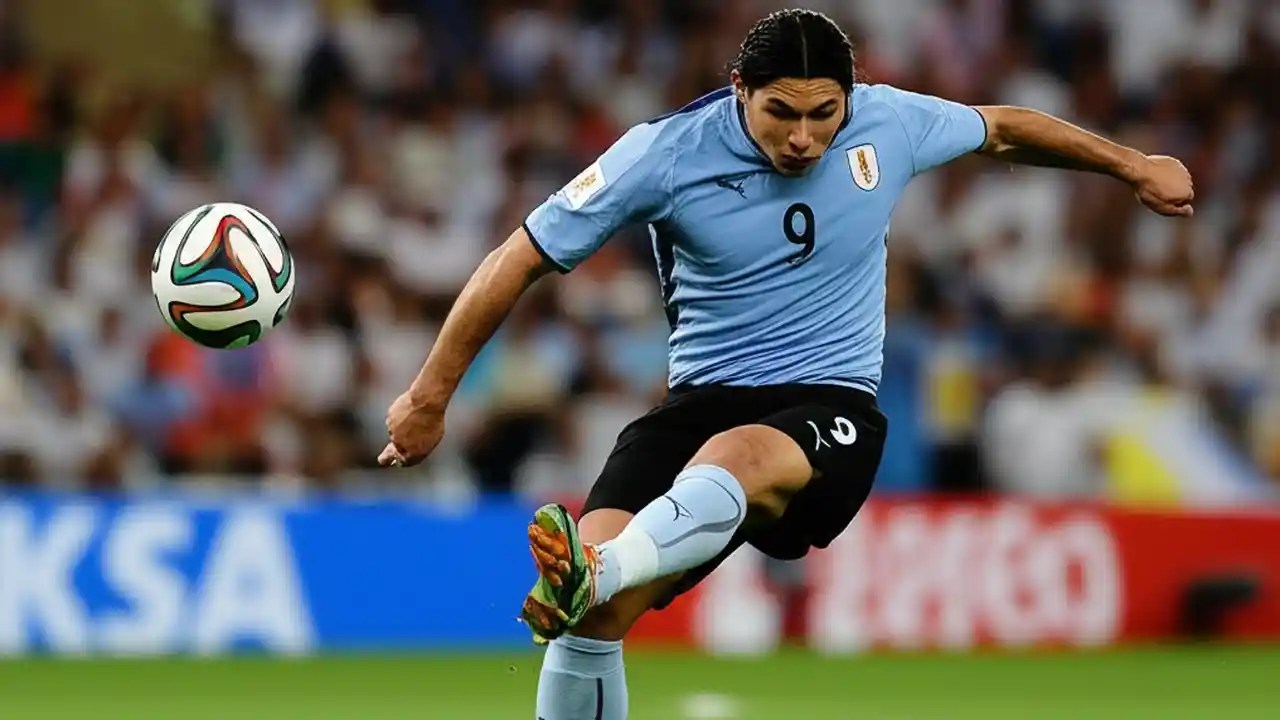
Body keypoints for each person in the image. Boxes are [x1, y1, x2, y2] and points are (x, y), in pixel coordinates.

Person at [377, 9, 1194, 719]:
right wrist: (429, 394)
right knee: (590, 625)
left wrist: (1133, 164)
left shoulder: (890, 123)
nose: (803, 137)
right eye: (780, 113)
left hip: (830, 404)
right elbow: (519, 256)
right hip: (699, 399)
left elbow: (1006, 127)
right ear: (739, 90)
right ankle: (599, 579)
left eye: (824, 114)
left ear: (851, 99)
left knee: (719, 468)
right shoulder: (661, 154)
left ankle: (598, 569)